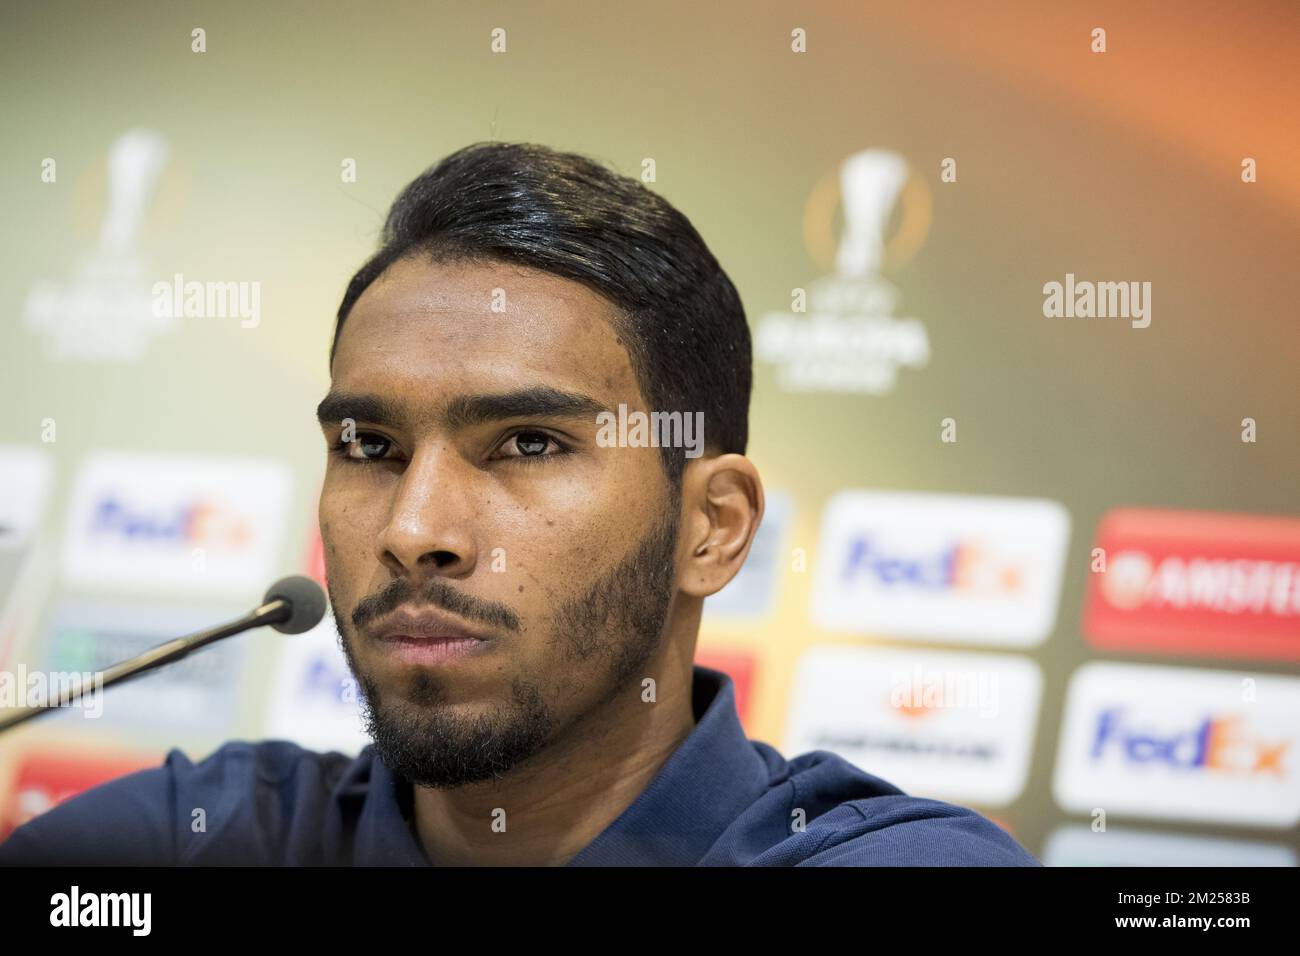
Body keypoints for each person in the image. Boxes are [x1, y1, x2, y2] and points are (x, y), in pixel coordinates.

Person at [0, 142, 1040, 866]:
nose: (414, 531)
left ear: (712, 526)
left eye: (529, 443)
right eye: (370, 445)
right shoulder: (191, 838)